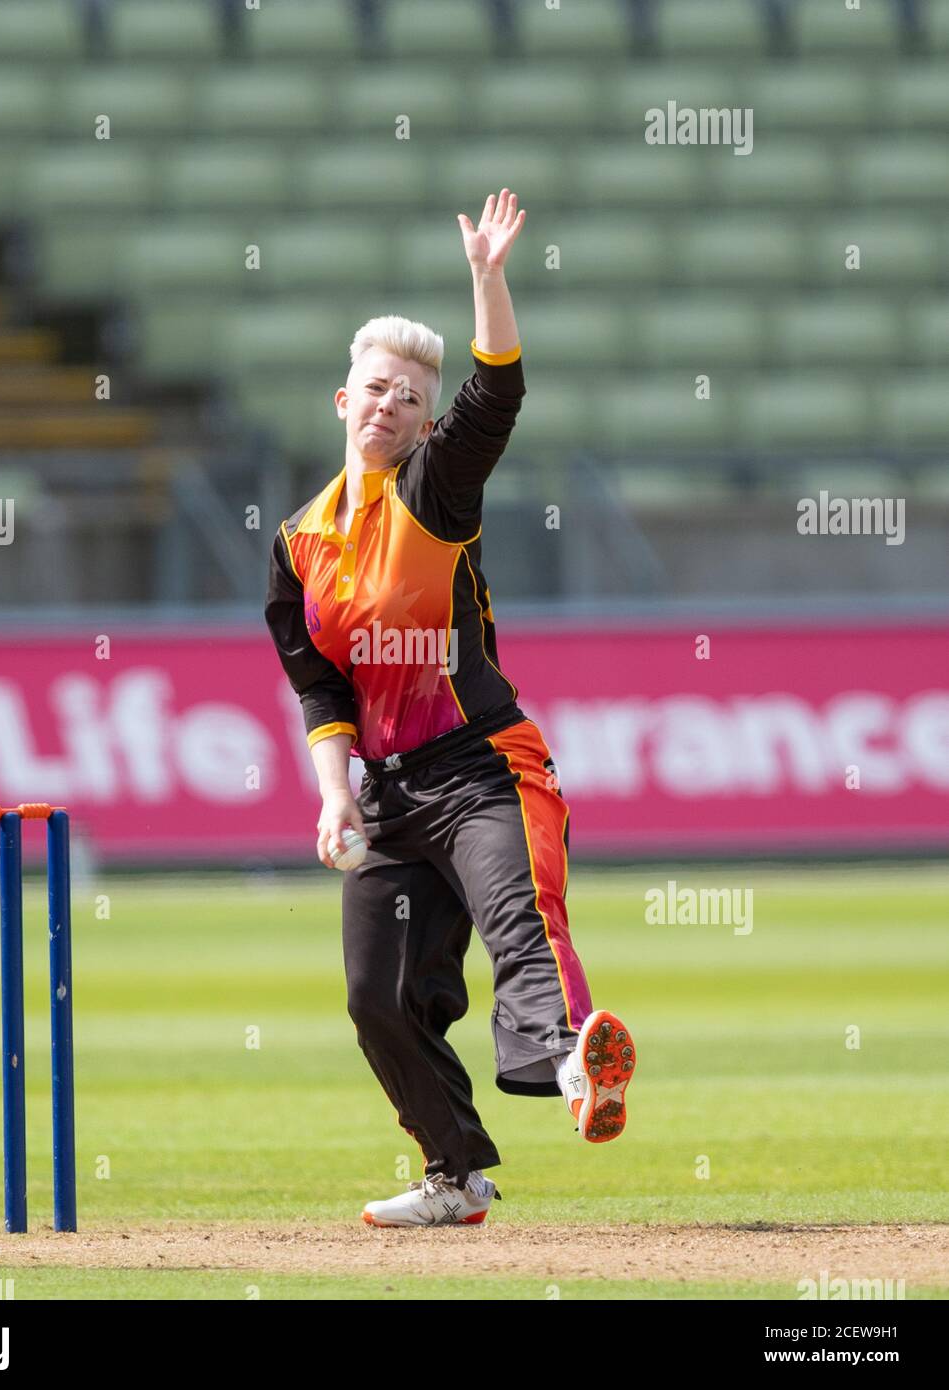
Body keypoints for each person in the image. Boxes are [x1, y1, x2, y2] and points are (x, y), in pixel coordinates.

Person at [264, 189, 635, 1227]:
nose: (389, 406)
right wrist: (333, 797)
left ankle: (575, 1070)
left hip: (481, 766)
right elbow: (318, 686)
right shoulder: (298, 544)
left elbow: (496, 396)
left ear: (424, 424)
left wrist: (487, 278)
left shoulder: (432, 490)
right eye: (374, 389)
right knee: (377, 996)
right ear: (342, 398)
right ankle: (453, 1174)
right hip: (385, 794)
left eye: (409, 399)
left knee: (520, 922)